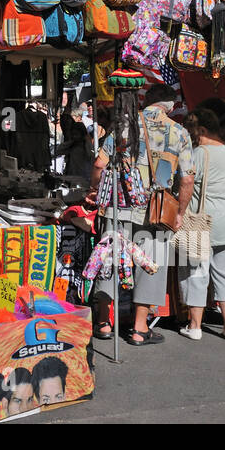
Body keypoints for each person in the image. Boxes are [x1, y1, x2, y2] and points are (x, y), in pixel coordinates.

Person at [88, 84, 196, 346]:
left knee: (111, 260)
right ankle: (139, 328)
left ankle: (103, 323)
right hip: (156, 211)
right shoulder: (179, 132)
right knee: (151, 265)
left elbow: (100, 164)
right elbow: (187, 179)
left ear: (146, 101)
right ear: (169, 105)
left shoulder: (124, 127)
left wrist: (95, 190)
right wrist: (180, 212)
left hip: (119, 207)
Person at [178, 108, 225, 342]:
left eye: (192, 131)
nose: (190, 136)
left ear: (203, 130)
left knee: (196, 273)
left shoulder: (198, 153)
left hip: (203, 221)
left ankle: (195, 326)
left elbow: (184, 183)